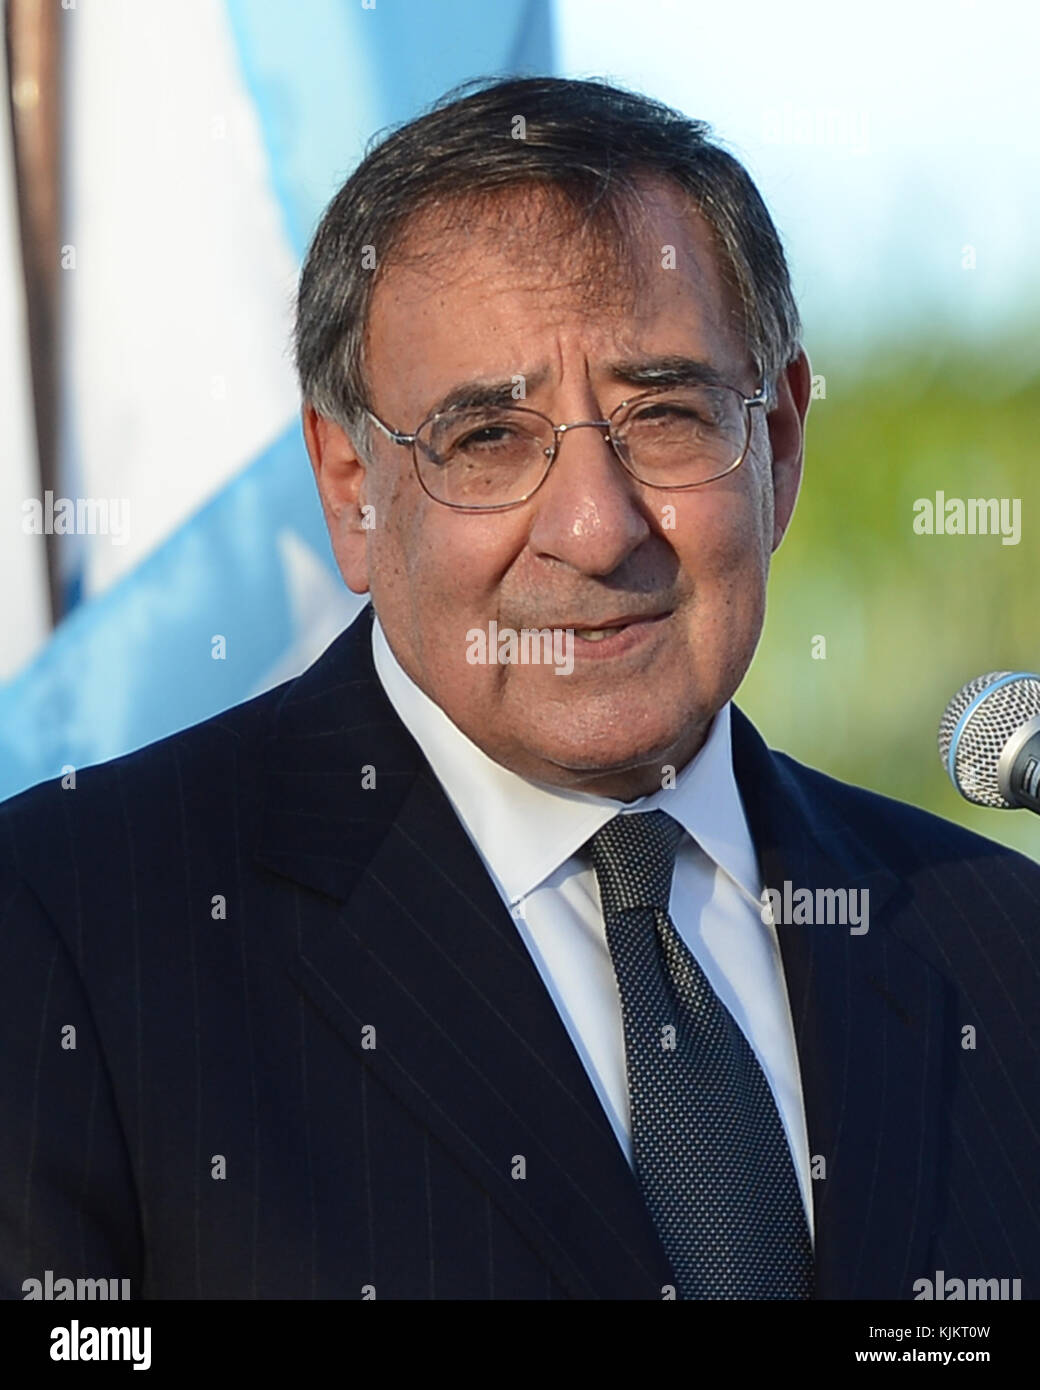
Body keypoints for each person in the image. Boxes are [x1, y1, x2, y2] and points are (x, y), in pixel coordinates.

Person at [1, 76, 1037, 1302]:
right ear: (349, 489)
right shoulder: (68, 929)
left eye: (663, 415)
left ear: (778, 443)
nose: (597, 529)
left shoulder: (997, 945)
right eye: (485, 440)